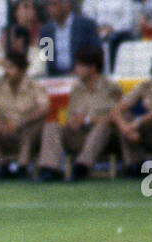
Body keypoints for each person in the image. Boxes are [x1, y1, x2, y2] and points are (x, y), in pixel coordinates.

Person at [37, 46, 124, 181]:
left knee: (103, 126)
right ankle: (49, 168)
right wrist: (73, 121)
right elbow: (70, 114)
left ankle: (82, 167)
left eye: (79, 65)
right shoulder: (76, 89)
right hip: (79, 135)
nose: (75, 69)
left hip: (103, 139)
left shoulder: (110, 88)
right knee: (52, 126)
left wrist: (87, 120)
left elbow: (116, 116)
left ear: (92, 68)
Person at [0, 50, 50, 180]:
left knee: (34, 125)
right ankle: (0, 166)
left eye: (11, 67)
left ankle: (22, 167)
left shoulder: (35, 87)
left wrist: (20, 122)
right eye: (5, 67)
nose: (7, 71)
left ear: (22, 70)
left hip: (26, 130)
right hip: (4, 131)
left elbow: (44, 109)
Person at [39, 0, 100, 77]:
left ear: (66, 5)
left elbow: (95, 53)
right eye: (49, 4)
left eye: (54, 4)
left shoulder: (86, 26)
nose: (49, 8)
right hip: (55, 78)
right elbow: (46, 61)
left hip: (81, 76)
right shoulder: (45, 31)